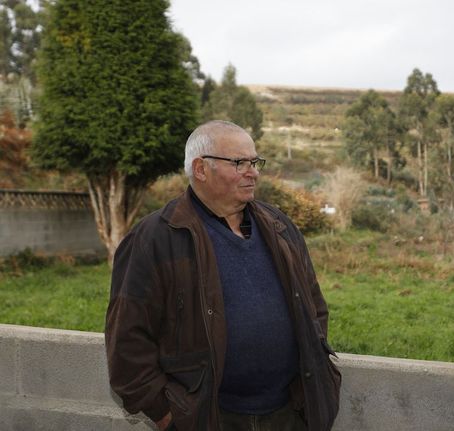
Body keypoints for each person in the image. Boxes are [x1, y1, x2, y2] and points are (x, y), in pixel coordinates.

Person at [105, 120, 340, 431]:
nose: (253, 172)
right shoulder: (155, 238)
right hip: (209, 419)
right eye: (240, 162)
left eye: (255, 162)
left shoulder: (280, 226)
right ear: (201, 169)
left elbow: (313, 306)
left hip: (289, 413)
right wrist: (167, 416)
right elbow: (127, 341)